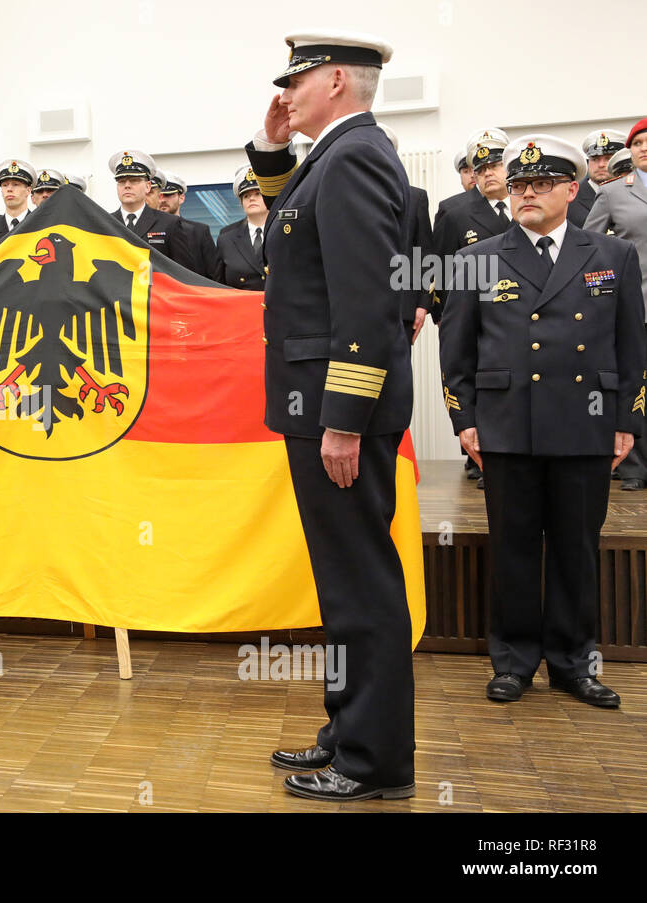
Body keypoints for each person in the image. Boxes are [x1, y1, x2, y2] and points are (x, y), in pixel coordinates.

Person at [246, 30, 415, 802]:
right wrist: (268, 146)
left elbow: (368, 301)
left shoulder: (352, 156)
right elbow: (295, 230)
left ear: (338, 81)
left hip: (334, 410)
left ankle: (373, 760)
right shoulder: (338, 154)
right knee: (341, 583)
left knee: (360, 585)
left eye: (297, 82)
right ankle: (349, 730)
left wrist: (343, 417)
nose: (286, 94)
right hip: (317, 404)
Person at [439, 135, 645, 707]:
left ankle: (575, 663)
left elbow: (632, 346)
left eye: (542, 184)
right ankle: (513, 661)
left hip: (587, 422)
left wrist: (627, 418)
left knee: (578, 548)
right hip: (507, 424)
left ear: (572, 190)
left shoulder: (611, 255)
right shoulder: (473, 260)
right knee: (513, 548)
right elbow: (456, 352)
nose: (526, 193)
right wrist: (464, 421)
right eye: (520, 185)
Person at [433, 128, 513, 486]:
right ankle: (479, 457)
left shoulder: (529, 205)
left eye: (495, 164)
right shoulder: (455, 211)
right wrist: (445, 316)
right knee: (477, 384)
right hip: (479, 317)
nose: (488, 173)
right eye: (480, 169)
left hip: (526, 317)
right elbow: (438, 267)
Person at [585, 117, 647, 490]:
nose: (643, 147)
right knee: (636, 385)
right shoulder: (613, 193)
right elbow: (589, 251)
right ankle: (635, 467)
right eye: (637, 143)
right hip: (635, 306)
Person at [378, 123, 435, 340]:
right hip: (356, 307)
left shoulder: (415, 198)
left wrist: (422, 304)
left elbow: (427, 256)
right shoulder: (348, 197)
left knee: (398, 372)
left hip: (402, 308)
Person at [108, 149, 194, 268]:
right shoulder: (106, 222)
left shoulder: (169, 224)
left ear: (148, 186)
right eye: (121, 182)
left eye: (134, 181)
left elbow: (183, 271)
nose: (127, 186)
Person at [213, 165, 269, 290]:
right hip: (241, 306)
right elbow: (219, 284)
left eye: (258, 193)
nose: (252, 198)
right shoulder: (227, 238)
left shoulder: (282, 231)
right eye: (246, 196)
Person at [159, 173, 223, 280]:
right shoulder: (145, 229)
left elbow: (214, 275)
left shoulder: (199, 232)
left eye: (168, 195)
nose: (162, 200)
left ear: (182, 198)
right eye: (159, 195)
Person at [569, 129, 626, 227]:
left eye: (608, 158)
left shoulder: (635, 193)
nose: (600, 165)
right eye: (595, 159)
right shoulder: (570, 199)